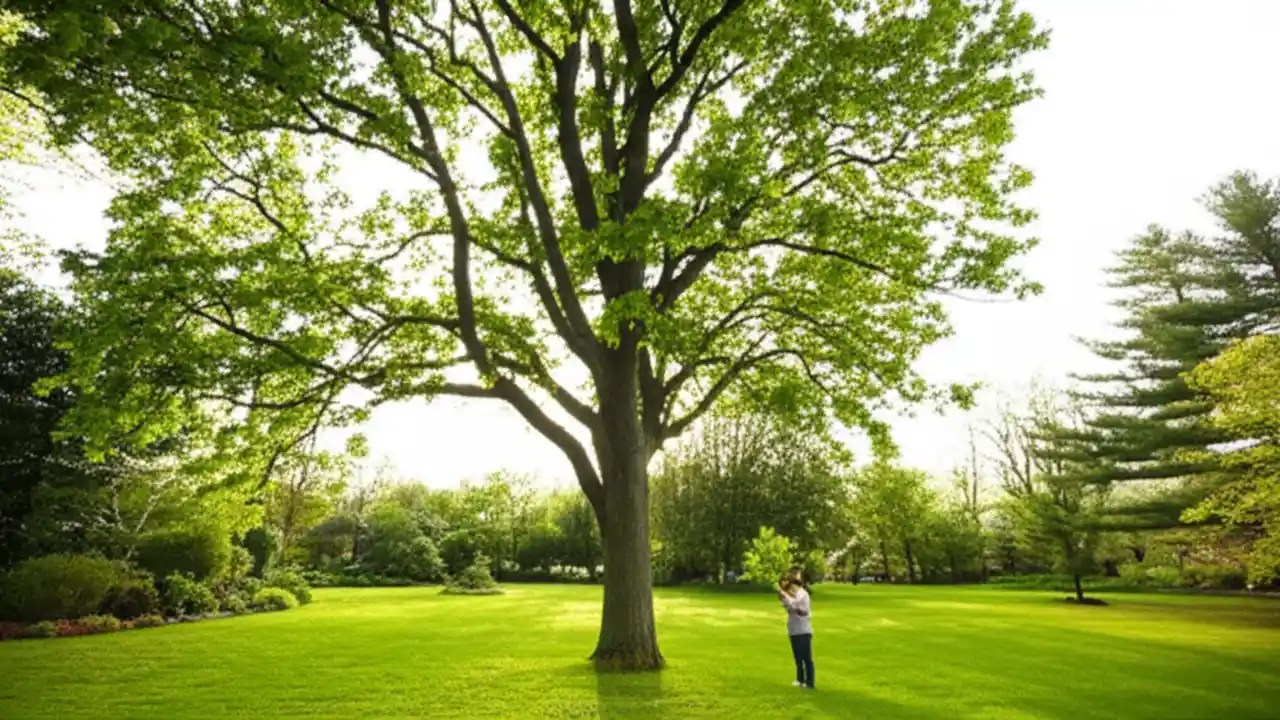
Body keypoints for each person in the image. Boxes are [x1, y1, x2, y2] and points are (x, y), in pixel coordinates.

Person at [778, 573, 815, 689]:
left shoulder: (802, 594)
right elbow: (789, 606)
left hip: (803, 630)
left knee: (806, 658)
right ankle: (800, 679)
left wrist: (786, 596)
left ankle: (810, 682)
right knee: (798, 658)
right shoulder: (794, 595)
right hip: (793, 629)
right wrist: (784, 598)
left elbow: (796, 606)